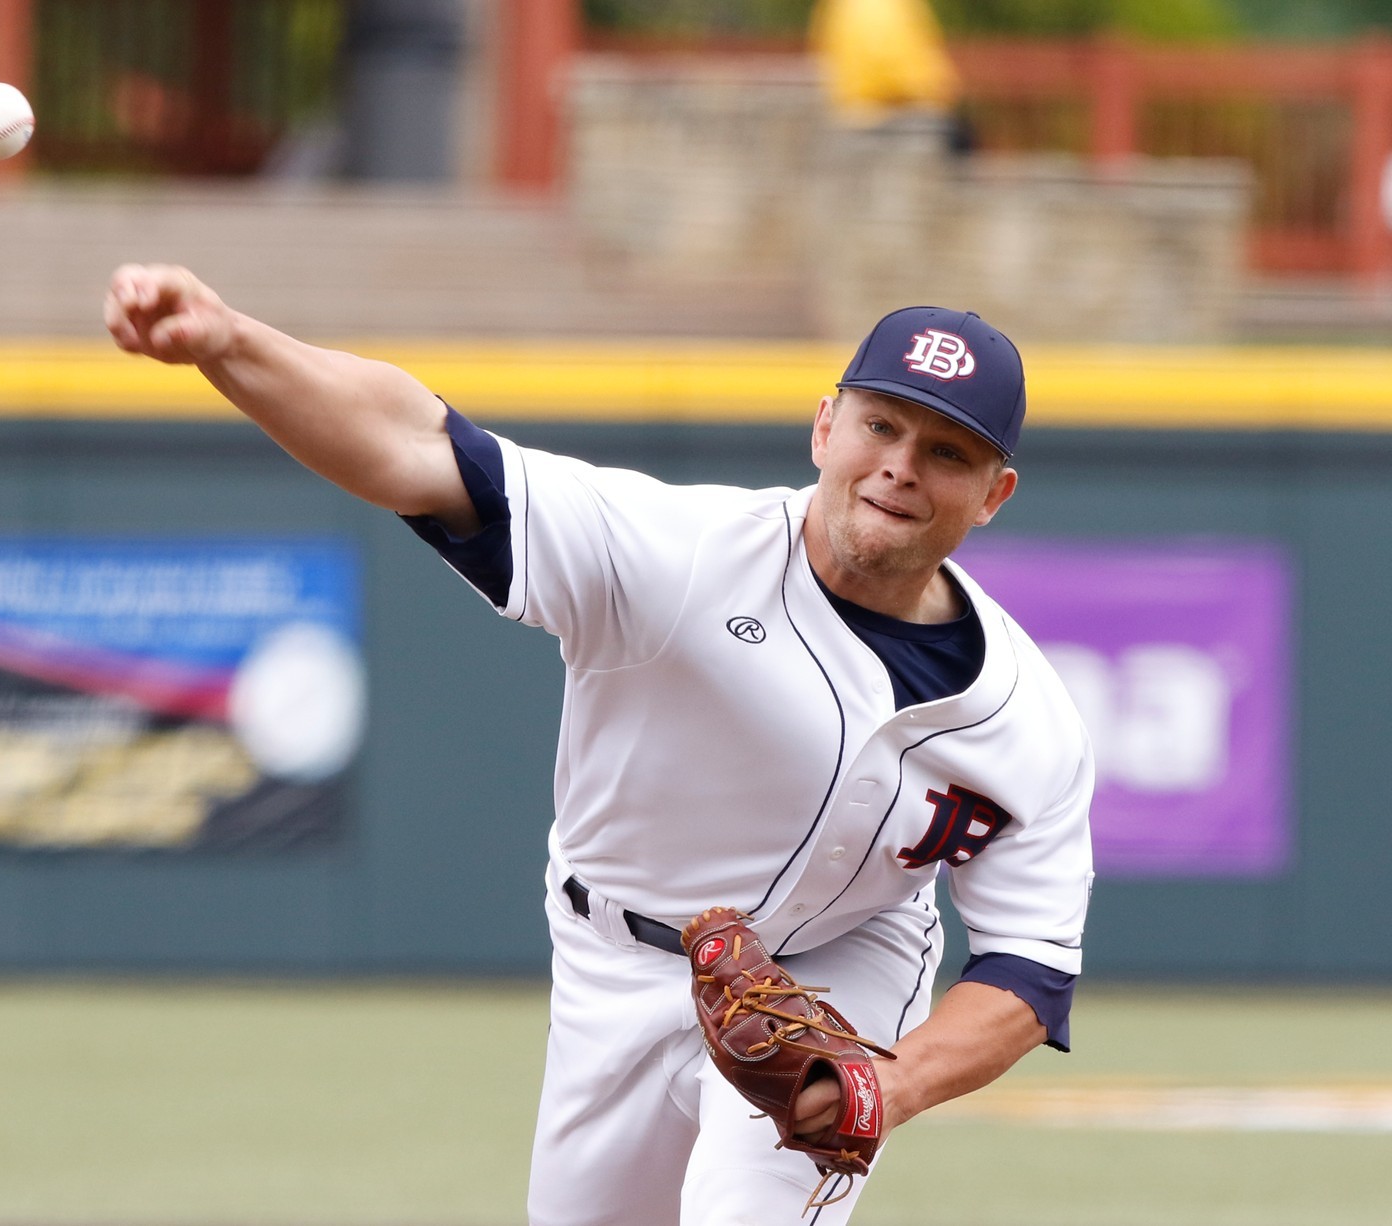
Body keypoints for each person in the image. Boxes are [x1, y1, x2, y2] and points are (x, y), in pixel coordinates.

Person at [103, 267, 1094, 1226]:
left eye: (946, 452)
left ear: (993, 491)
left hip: (841, 968)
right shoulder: (679, 552)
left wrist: (893, 1080)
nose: (899, 466)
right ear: (825, 425)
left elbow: (1028, 968)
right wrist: (231, 343)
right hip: (614, 954)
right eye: (882, 425)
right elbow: (417, 445)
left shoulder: (1028, 718)